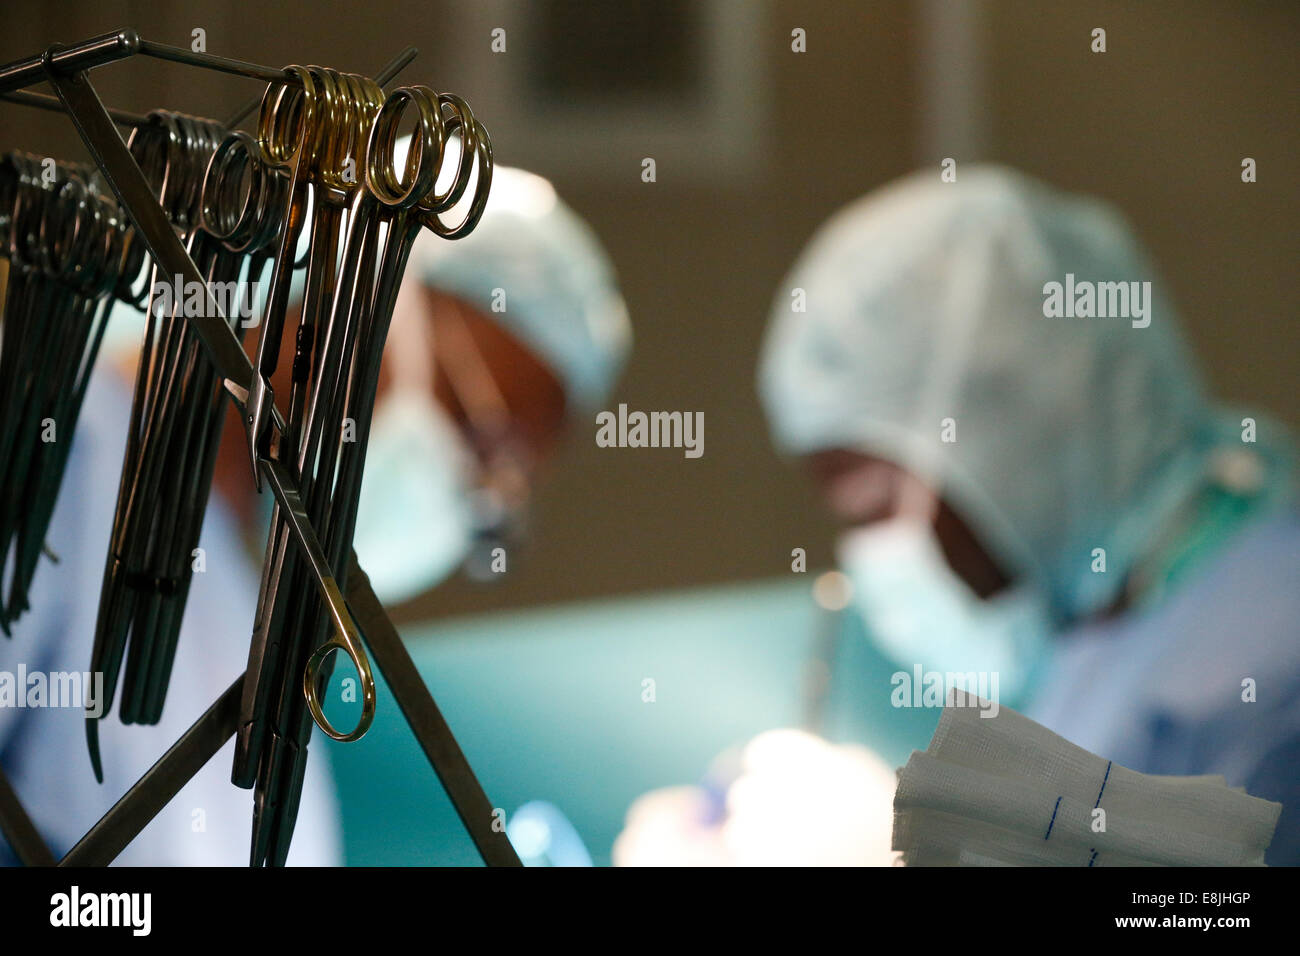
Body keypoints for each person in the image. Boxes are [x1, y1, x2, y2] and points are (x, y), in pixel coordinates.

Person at [0, 162, 630, 865]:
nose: (458, 486)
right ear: (349, 289)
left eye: (491, 482)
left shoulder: (240, 591)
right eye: (471, 428)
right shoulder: (59, 450)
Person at [756, 165, 1299, 864]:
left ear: (1010, 445)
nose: (868, 554)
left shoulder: (1267, 677)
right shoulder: (1102, 640)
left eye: (875, 504)